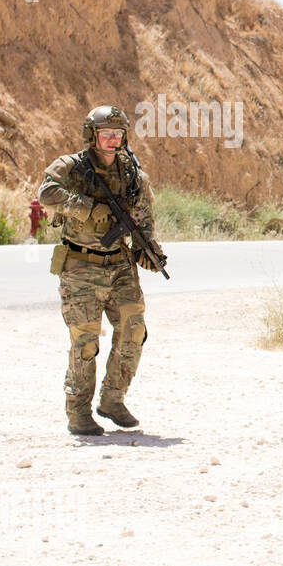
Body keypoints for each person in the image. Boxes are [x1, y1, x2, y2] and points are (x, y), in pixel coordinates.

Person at [38, 105, 166, 435]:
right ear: (92, 136)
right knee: (85, 342)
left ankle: (112, 399)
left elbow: (143, 218)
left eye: (118, 134)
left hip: (120, 265)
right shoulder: (72, 166)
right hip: (81, 265)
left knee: (134, 331)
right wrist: (86, 208)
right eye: (106, 134)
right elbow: (46, 194)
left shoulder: (132, 173)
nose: (112, 140)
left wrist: (148, 249)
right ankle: (78, 412)